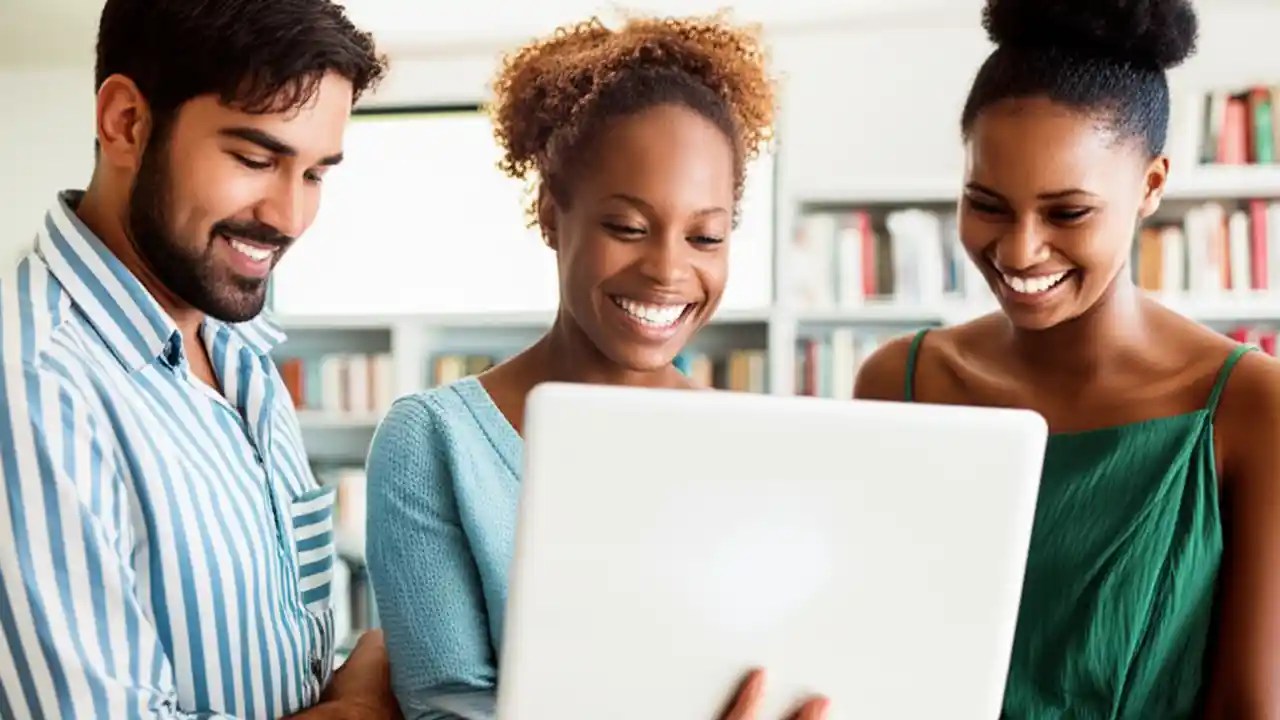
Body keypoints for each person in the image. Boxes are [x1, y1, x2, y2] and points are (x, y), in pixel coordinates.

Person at [364, 13, 827, 720]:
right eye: (628, 227)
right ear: (552, 215)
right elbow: (444, 711)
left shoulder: (755, 445)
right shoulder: (436, 442)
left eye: (706, 236)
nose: (668, 269)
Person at [854, 0, 1280, 717]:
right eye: (987, 204)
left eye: (1067, 212)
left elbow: (1251, 706)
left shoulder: (1250, 407)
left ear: (1151, 186)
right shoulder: (899, 382)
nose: (1019, 250)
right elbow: (864, 650)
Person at [0, 1, 401, 718]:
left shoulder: (242, 351)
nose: (289, 218)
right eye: (255, 160)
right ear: (126, 122)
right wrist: (357, 707)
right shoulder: (30, 380)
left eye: (315, 174)